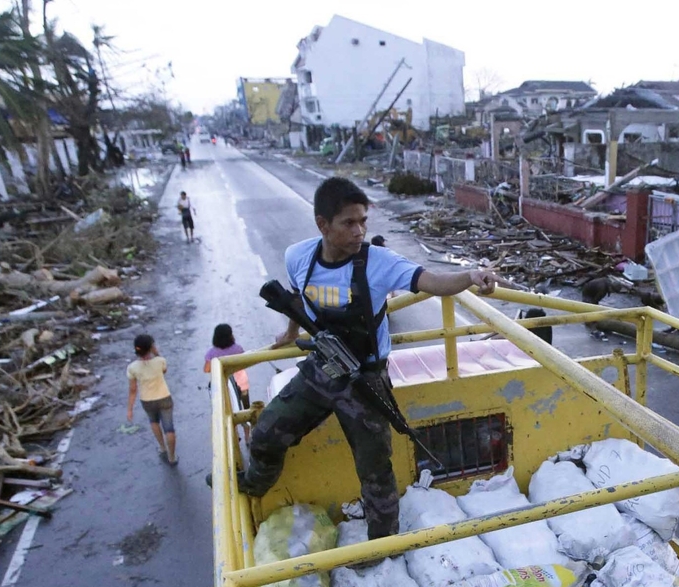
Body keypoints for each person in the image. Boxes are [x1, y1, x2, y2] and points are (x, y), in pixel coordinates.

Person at [239, 176, 502, 541]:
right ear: (323, 225)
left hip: (365, 379)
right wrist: (289, 335)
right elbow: (297, 299)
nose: (360, 230)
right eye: (349, 222)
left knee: (376, 472)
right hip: (322, 367)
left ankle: (382, 543)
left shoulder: (379, 263)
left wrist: (472, 275)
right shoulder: (298, 256)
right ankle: (251, 486)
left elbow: (434, 281)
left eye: (364, 221)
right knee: (267, 432)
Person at [127, 334, 177, 465]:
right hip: (164, 397)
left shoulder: (132, 368)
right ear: (151, 347)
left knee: (154, 422)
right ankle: (172, 457)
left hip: (147, 400)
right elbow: (164, 371)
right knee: (169, 428)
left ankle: (162, 447)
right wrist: (157, 353)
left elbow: (133, 390)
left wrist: (130, 409)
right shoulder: (160, 361)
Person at [204, 323, 251, 411]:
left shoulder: (211, 353)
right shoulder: (238, 349)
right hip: (241, 382)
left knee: (223, 409)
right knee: (246, 408)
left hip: (221, 385)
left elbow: (207, 369)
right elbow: (245, 362)